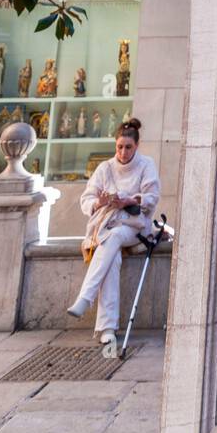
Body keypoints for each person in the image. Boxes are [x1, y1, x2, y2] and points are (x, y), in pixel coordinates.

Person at [66, 119, 160, 343]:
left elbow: (152, 197)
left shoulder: (146, 164)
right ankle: (107, 329)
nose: (123, 152)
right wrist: (100, 202)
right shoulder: (105, 167)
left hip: (133, 226)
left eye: (128, 147)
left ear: (136, 146)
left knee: (115, 236)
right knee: (112, 258)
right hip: (108, 224)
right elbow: (86, 200)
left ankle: (86, 297)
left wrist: (129, 200)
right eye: (119, 147)